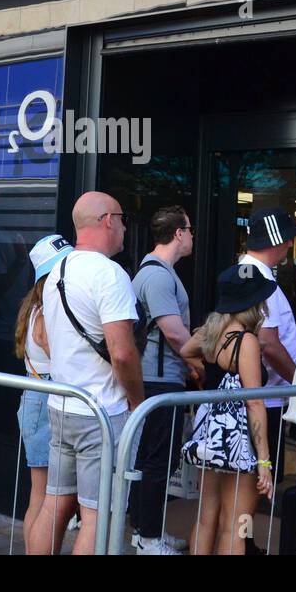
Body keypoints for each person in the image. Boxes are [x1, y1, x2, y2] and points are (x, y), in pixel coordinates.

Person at [27, 191, 143, 556]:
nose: (125, 228)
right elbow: (122, 353)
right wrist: (139, 402)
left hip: (62, 405)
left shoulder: (57, 271)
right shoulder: (110, 274)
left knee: (54, 503)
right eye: (123, 219)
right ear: (108, 219)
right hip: (102, 412)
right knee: (98, 516)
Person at [179, 263, 274, 555]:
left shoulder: (211, 333)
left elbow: (185, 351)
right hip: (238, 443)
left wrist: (200, 372)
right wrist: (265, 462)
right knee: (238, 524)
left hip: (211, 439)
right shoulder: (246, 342)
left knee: (206, 518)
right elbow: (254, 402)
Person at [128, 205, 196, 555]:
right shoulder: (157, 276)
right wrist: (200, 362)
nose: (193, 235)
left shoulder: (156, 272)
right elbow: (173, 332)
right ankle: (149, 539)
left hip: (158, 378)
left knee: (151, 460)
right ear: (179, 233)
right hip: (159, 380)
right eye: (190, 229)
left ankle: (145, 531)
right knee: (157, 462)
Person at [15, 235, 72, 555]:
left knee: (44, 493)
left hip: (37, 400)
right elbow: (58, 353)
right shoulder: (49, 309)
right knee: (43, 493)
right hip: (43, 400)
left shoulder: (37, 306)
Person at [239, 207, 296, 486]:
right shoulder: (258, 278)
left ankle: (243, 530)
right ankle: (244, 531)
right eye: (287, 238)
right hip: (264, 399)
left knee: (244, 485)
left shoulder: (247, 273)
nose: (290, 244)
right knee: (257, 485)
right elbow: (268, 343)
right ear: (274, 241)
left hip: (260, 395)